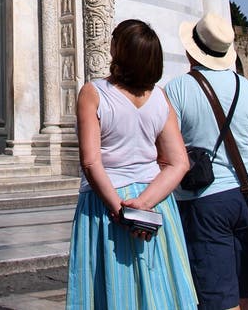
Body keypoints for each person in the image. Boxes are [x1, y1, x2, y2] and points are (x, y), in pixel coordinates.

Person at [66, 19, 197, 309]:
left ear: (119, 50)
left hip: (106, 201)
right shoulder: (160, 98)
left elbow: (90, 161)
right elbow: (178, 163)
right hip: (154, 201)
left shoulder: (94, 92)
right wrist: (144, 204)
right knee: (158, 286)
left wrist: (121, 210)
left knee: (113, 289)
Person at [165, 11, 248, 310]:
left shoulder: (178, 89)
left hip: (204, 200)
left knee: (217, 298)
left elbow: (165, 149)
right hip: (247, 195)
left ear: (191, 50)